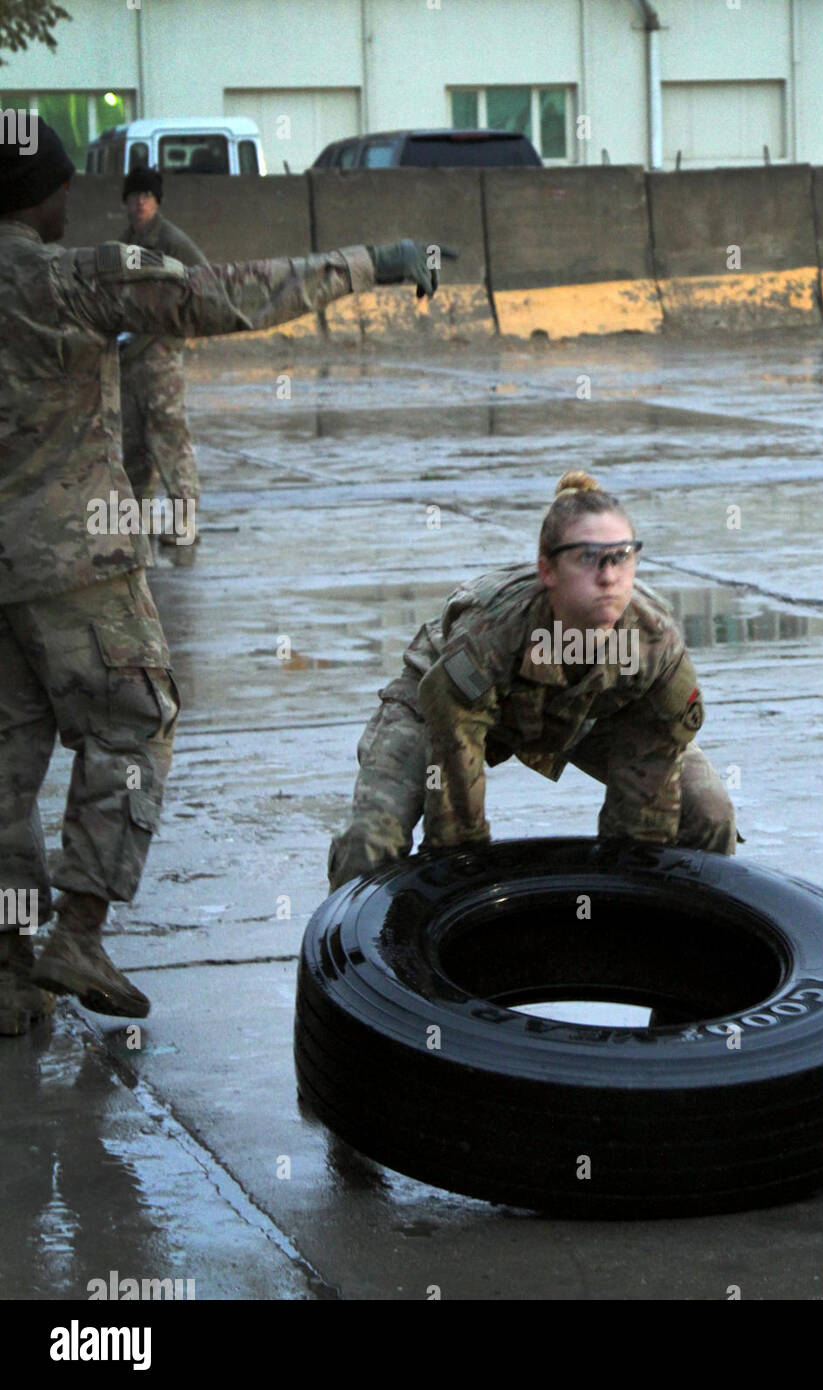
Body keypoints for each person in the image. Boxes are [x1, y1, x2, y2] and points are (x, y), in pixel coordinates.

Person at [0, 116, 447, 1035]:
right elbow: (226, 296)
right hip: (74, 560)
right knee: (136, 721)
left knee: (8, 768)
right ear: (40, 195)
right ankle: (77, 932)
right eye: (62, 189)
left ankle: (9, 973)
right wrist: (381, 259)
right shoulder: (67, 277)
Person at [328, 472, 736, 890]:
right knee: (370, 843)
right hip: (441, 701)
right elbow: (454, 804)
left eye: (622, 556)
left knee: (709, 812)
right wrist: (461, 882)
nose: (609, 576)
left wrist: (634, 887)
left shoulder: (654, 642)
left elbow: (644, 810)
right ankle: (352, 949)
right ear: (548, 571)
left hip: (590, 711)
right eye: (588, 557)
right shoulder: (492, 634)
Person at [118, 165, 209, 562]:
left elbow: (202, 281)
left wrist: (172, 319)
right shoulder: (123, 243)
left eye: (147, 196)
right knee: (134, 444)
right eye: (134, 196)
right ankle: (137, 524)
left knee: (170, 438)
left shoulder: (171, 242)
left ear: (157, 202)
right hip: (129, 357)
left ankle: (184, 521)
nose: (140, 203)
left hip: (161, 354)